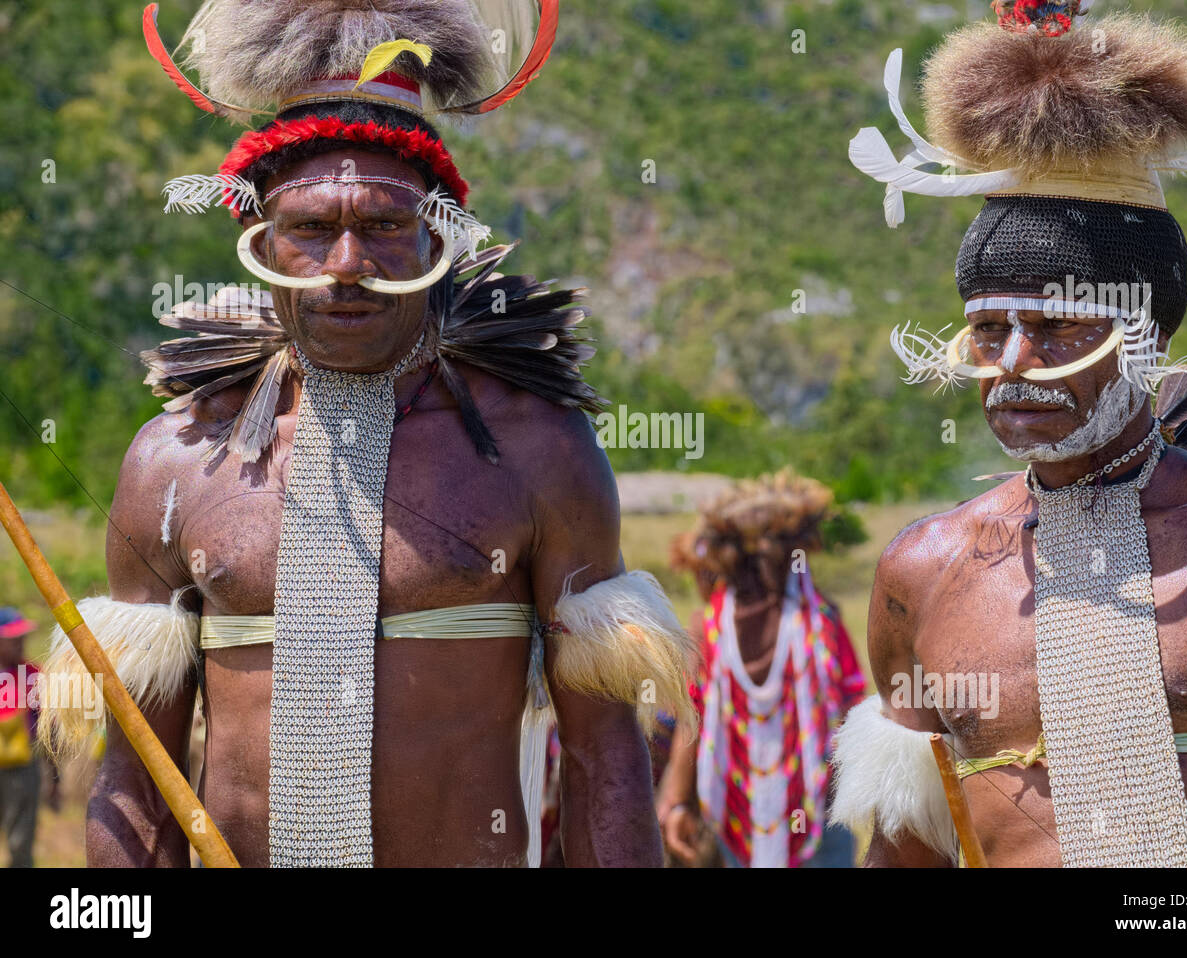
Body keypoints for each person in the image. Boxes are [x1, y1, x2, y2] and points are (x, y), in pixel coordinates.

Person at [38, 0, 695, 868]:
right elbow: (136, 774)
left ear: (436, 237)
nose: (348, 264)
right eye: (312, 229)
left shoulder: (538, 448)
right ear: (261, 237)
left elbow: (603, 755)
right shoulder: (176, 461)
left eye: (383, 226)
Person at [830, 1, 1187, 867]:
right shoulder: (921, 570)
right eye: (989, 327)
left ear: (1147, 337)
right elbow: (907, 853)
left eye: (1057, 327)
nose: (1014, 360)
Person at [659, 470, 866, 867]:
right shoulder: (820, 621)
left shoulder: (710, 626)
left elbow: (692, 719)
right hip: (813, 811)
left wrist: (676, 801)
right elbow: (852, 707)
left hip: (748, 810)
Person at [0, 607, 58, 867]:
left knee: (20, 842)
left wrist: (54, 776)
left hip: (23, 770)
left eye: (22, 637)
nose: (21, 643)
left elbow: (48, 729)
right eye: (14, 639)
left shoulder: (33, 674)